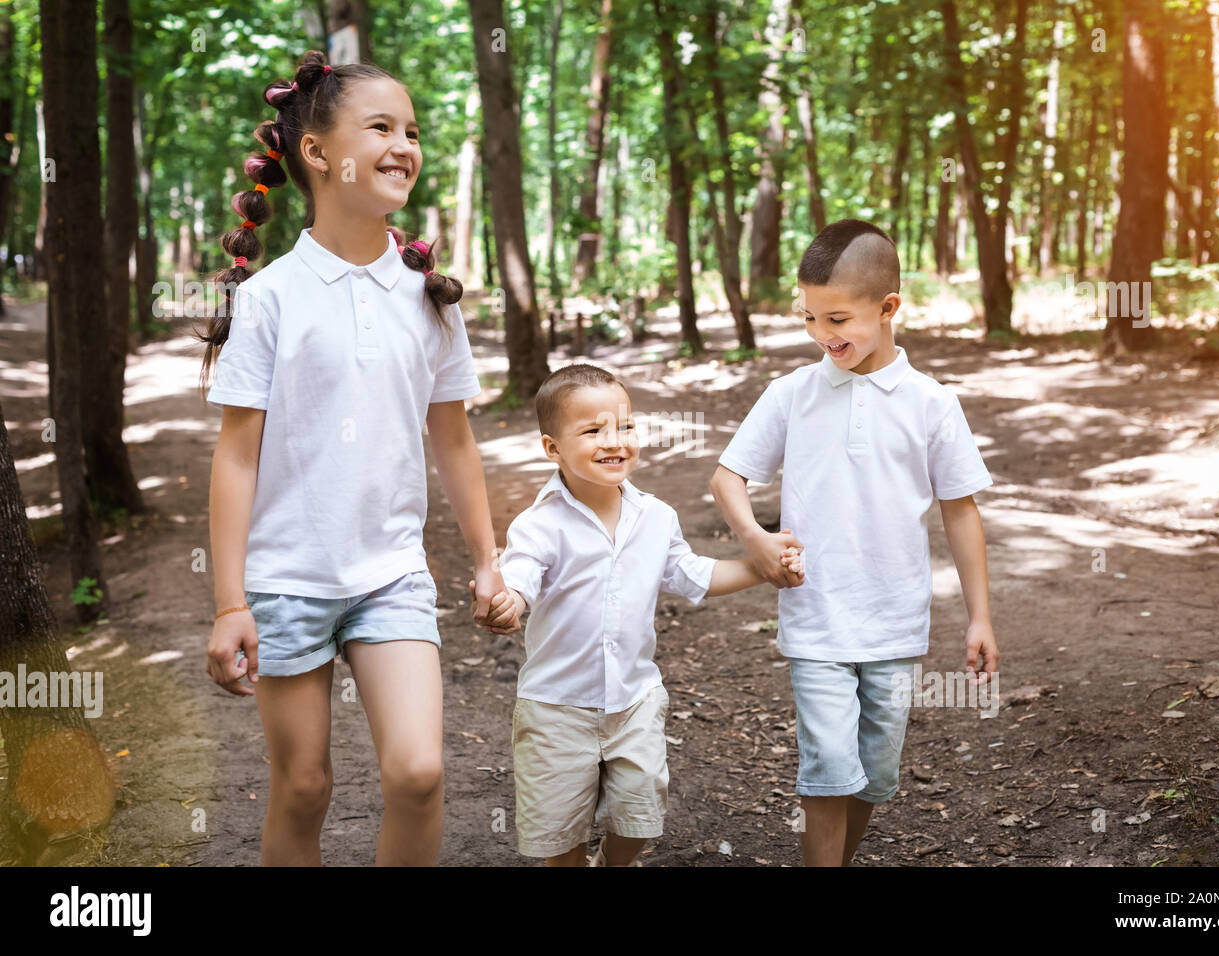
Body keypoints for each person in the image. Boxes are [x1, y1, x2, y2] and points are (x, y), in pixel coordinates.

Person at [200, 50, 510, 866]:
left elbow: (453, 438)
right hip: (286, 581)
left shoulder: (430, 299)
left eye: (412, 130)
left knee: (418, 772)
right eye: (381, 127)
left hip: (392, 577)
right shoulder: (268, 298)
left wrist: (486, 561)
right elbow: (236, 457)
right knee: (303, 786)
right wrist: (231, 602)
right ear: (317, 153)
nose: (405, 144)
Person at [709, 219, 998, 866]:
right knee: (829, 769)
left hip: (896, 623)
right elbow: (727, 478)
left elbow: (960, 511)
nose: (821, 334)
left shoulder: (932, 403)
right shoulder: (791, 394)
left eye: (837, 318)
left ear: (889, 308)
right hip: (816, 617)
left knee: (873, 775)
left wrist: (979, 615)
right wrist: (756, 538)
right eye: (809, 318)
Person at [474, 364, 801, 866]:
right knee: (560, 842)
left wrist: (763, 566)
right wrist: (508, 601)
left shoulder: (655, 516)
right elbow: (520, 577)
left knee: (640, 818)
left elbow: (694, 574)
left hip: (635, 701)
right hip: (556, 709)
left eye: (624, 426)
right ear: (552, 448)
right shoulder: (539, 525)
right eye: (592, 430)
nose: (615, 440)